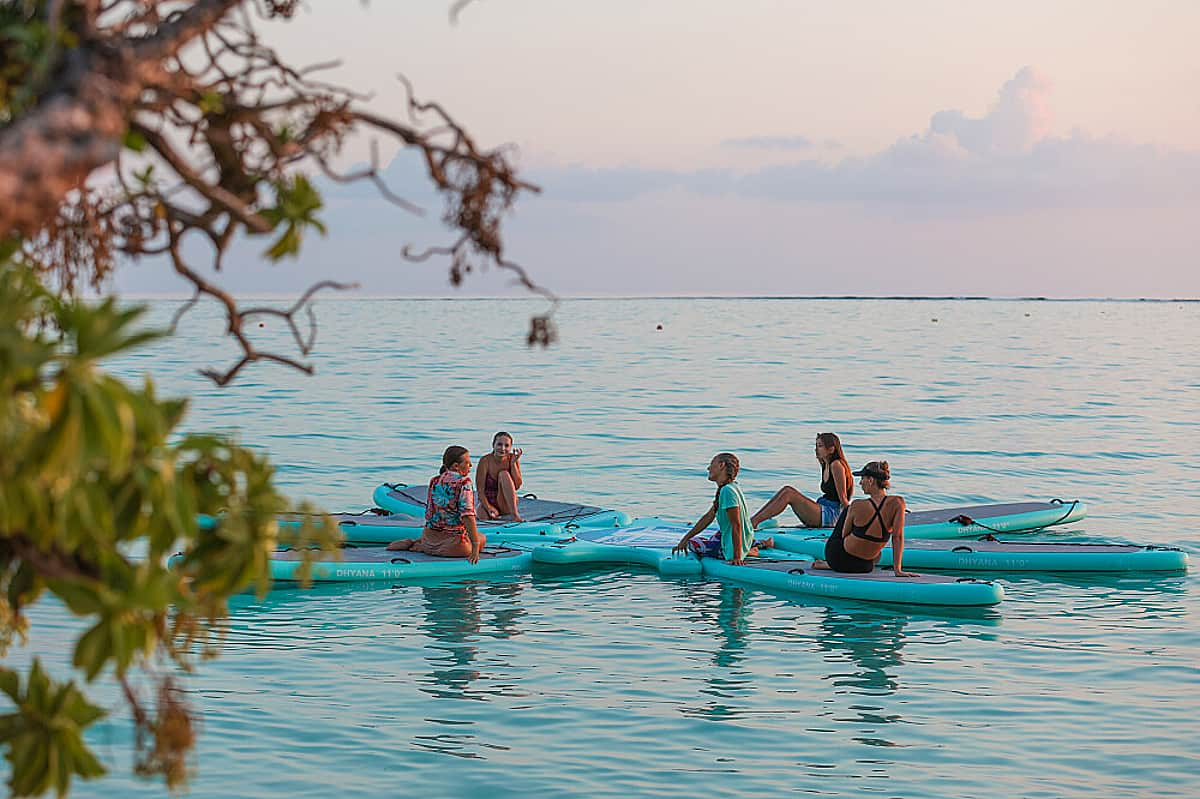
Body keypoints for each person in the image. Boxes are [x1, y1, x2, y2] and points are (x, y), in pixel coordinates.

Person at [388, 446, 486, 563]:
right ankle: (439, 548)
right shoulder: (464, 483)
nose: (470, 466)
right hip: (452, 544)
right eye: (467, 463)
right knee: (481, 539)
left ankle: (419, 544)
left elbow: (430, 512)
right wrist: (475, 548)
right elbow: (468, 516)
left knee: (468, 538)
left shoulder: (435, 480)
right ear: (456, 466)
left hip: (429, 538)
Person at [819, 460, 915, 576]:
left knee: (848, 510)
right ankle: (830, 564)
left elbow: (844, 535)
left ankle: (828, 564)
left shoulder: (857, 505)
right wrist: (898, 570)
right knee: (877, 554)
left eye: (862, 478)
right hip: (864, 566)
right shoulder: (898, 503)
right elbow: (897, 537)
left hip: (838, 560)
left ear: (871, 480)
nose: (860, 483)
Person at [672, 453, 760, 565]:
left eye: (711, 464)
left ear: (721, 465)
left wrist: (737, 557)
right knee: (714, 535)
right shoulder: (731, 487)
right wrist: (684, 538)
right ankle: (752, 547)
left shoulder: (727, 491)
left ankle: (748, 551)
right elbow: (708, 517)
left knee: (693, 543)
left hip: (731, 549)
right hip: (738, 539)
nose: (708, 468)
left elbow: (736, 524)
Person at [750, 432, 852, 529]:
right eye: (816, 446)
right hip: (823, 508)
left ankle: (754, 522)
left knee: (789, 493)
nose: (816, 449)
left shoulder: (836, 465)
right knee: (786, 490)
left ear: (831, 449)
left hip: (831, 515)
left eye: (820, 446)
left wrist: (849, 525)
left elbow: (843, 498)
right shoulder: (825, 464)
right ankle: (754, 520)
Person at [475, 431, 524, 522]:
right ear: (493, 445)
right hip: (488, 500)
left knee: (503, 474)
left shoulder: (512, 459)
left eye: (506, 446)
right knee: (483, 518)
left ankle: (515, 514)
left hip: (506, 502)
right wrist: (489, 507)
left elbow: (517, 486)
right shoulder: (485, 460)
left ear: (510, 447)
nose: (502, 448)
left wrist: (513, 464)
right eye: (499, 444)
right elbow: (480, 490)